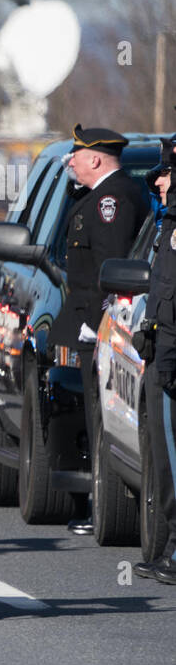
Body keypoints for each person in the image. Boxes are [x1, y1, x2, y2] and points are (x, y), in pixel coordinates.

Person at [51, 126, 147, 467]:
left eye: (75, 157)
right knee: (86, 415)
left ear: (94, 158)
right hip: (85, 321)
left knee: (100, 418)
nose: (71, 164)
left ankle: (97, 498)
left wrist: (96, 323)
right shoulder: (95, 196)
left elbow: (110, 268)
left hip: (98, 327)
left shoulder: (113, 199)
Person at [138, 138, 176, 585]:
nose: (160, 181)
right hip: (162, 348)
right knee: (164, 458)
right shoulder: (168, 225)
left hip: (170, 354)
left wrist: (164, 354)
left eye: (166, 173)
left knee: (170, 458)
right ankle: (169, 548)